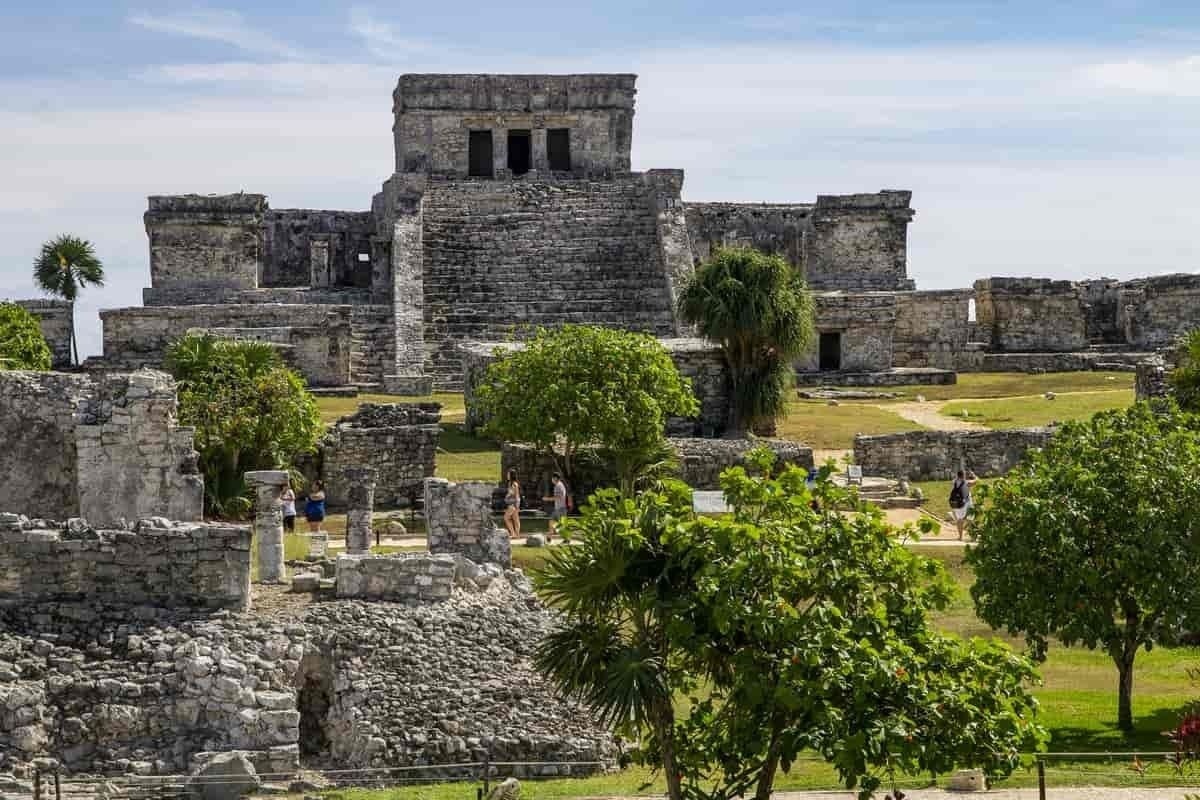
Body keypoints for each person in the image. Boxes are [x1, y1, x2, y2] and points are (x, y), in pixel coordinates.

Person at [949, 469, 976, 540]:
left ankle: (960, 537)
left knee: (959, 520)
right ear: (964, 476)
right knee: (970, 519)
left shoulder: (954, 482)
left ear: (957, 475)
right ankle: (972, 537)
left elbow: (955, 480)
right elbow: (976, 481)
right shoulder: (967, 482)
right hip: (967, 502)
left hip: (958, 504)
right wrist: (973, 475)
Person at [544, 473, 569, 540]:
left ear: (555, 478)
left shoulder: (558, 486)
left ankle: (566, 539)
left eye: (552, 478)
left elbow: (558, 497)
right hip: (558, 508)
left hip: (561, 509)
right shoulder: (559, 485)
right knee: (551, 521)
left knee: (561, 525)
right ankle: (549, 537)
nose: (551, 480)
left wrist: (547, 499)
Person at [503, 469, 521, 539]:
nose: (507, 475)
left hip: (513, 504)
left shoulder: (514, 484)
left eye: (508, 474)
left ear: (511, 475)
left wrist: (517, 506)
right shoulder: (510, 483)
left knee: (506, 518)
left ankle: (513, 533)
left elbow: (517, 495)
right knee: (516, 519)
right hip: (511, 504)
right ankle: (516, 535)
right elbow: (510, 493)